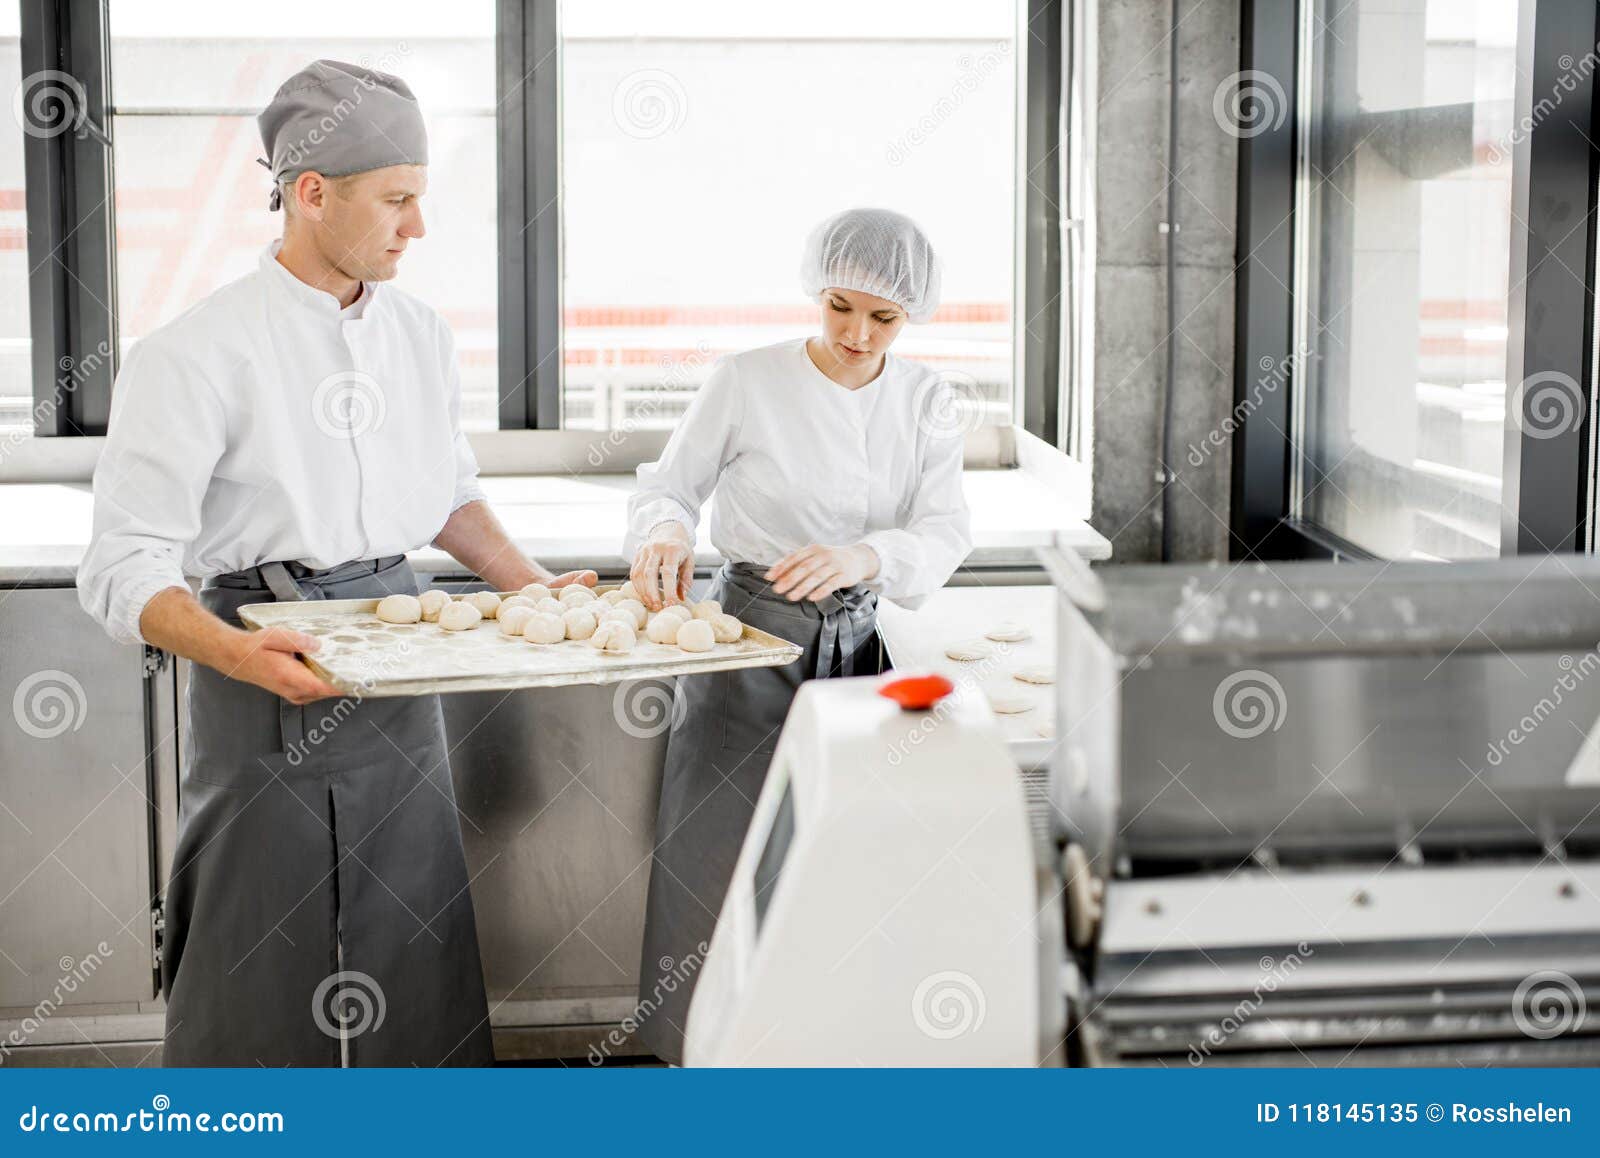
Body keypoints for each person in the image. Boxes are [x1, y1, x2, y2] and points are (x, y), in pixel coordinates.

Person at [76, 60, 595, 1066]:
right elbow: (124, 567)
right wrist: (234, 657)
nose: (417, 228)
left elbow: (444, 494)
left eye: (421, 199)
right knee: (257, 936)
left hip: (400, 659)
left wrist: (531, 586)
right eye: (397, 201)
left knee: (414, 926)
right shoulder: (193, 354)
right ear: (312, 193)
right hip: (262, 659)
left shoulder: (418, 335)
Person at [624, 207, 973, 1062]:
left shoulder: (927, 400)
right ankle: (694, 1061)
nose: (857, 333)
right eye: (839, 307)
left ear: (913, 315)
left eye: (883, 317)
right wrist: (665, 533)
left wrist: (868, 554)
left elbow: (947, 530)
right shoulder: (746, 381)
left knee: (845, 853)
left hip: (859, 655)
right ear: (817, 292)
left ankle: (825, 1055)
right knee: (717, 848)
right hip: (746, 638)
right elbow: (668, 488)